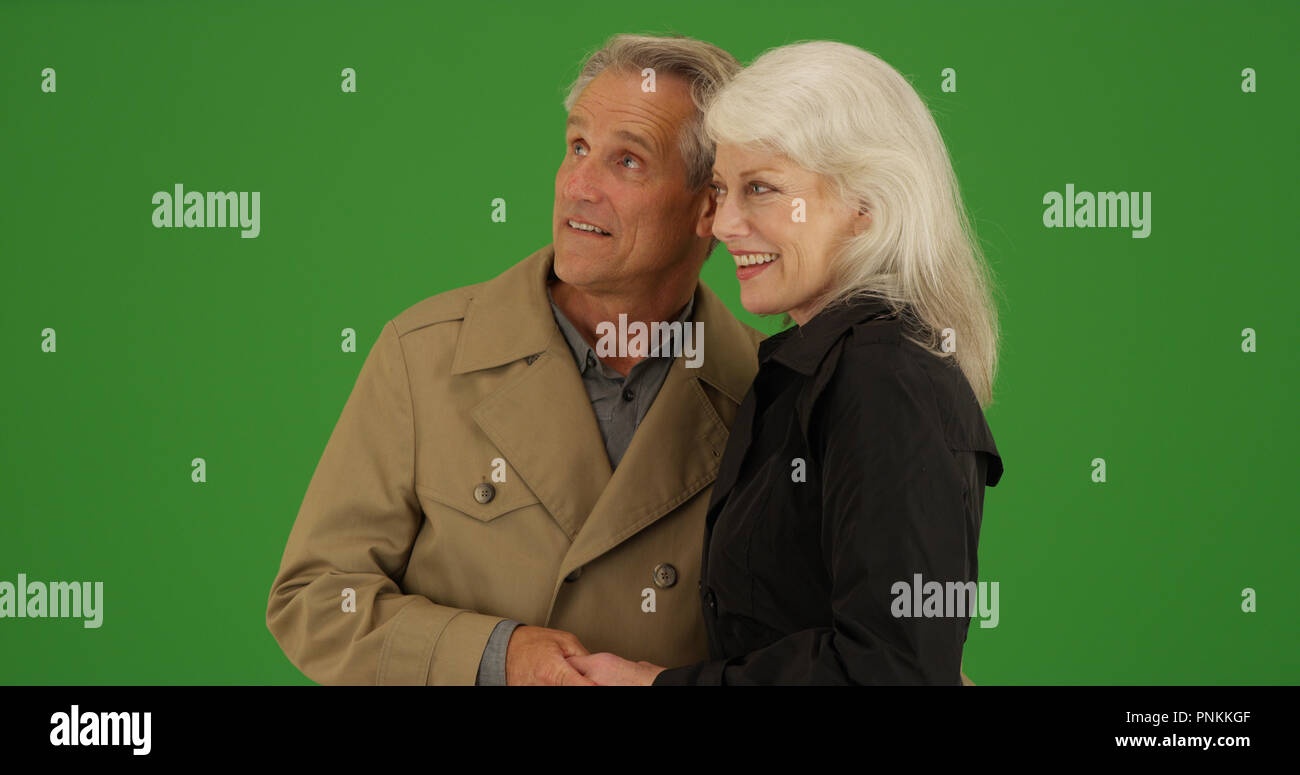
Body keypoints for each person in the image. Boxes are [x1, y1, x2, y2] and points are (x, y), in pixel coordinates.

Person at [265, 33, 768, 684]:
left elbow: (825, 643)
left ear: (710, 206)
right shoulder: (424, 355)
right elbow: (314, 599)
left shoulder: (772, 386)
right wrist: (495, 655)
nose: (579, 186)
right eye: (578, 146)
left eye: (629, 161)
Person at [566, 40, 1005, 685]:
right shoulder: (823, 369)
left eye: (762, 190)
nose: (725, 223)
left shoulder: (886, 379)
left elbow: (890, 671)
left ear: (868, 206)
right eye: (722, 189)